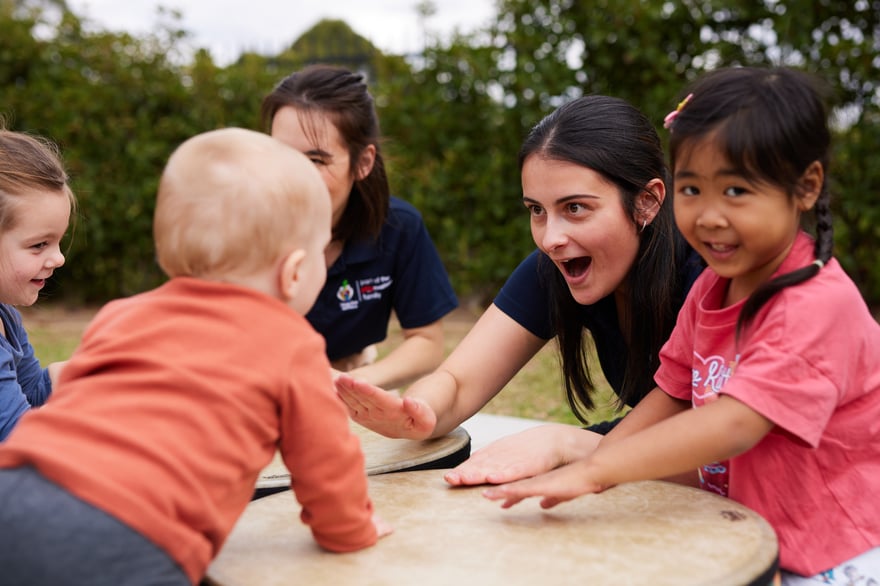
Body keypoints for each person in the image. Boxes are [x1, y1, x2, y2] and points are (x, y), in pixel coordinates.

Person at [482, 67, 880, 584]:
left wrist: (596, 469)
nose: (709, 216)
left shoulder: (814, 303)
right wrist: (600, 465)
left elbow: (735, 423)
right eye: (692, 189)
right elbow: (670, 394)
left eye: (736, 191)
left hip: (838, 553)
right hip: (753, 533)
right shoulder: (712, 288)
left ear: (805, 188)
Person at [0, 128, 392, 586]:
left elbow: (72, 404)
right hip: (127, 535)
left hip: (15, 494)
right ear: (294, 273)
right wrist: (350, 531)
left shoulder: (121, 315)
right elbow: (328, 467)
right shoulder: (290, 343)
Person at [337, 94, 704, 485]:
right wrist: (419, 410)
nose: (550, 238)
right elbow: (459, 382)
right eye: (537, 210)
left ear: (647, 202)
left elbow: (725, 453)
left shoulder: (707, 276)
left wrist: (565, 445)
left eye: (575, 208)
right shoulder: (558, 269)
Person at [261, 64, 459, 390]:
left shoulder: (399, 228)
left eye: (316, 160)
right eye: (281, 155)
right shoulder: (242, 225)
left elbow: (426, 342)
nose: (293, 176)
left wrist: (350, 383)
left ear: (363, 162)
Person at [0, 127, 73, 440]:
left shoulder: (7, 318)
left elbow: (29, 393)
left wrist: (77, 375)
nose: (58, 258)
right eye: (39, 245)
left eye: (58, 242)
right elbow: (19, 443)